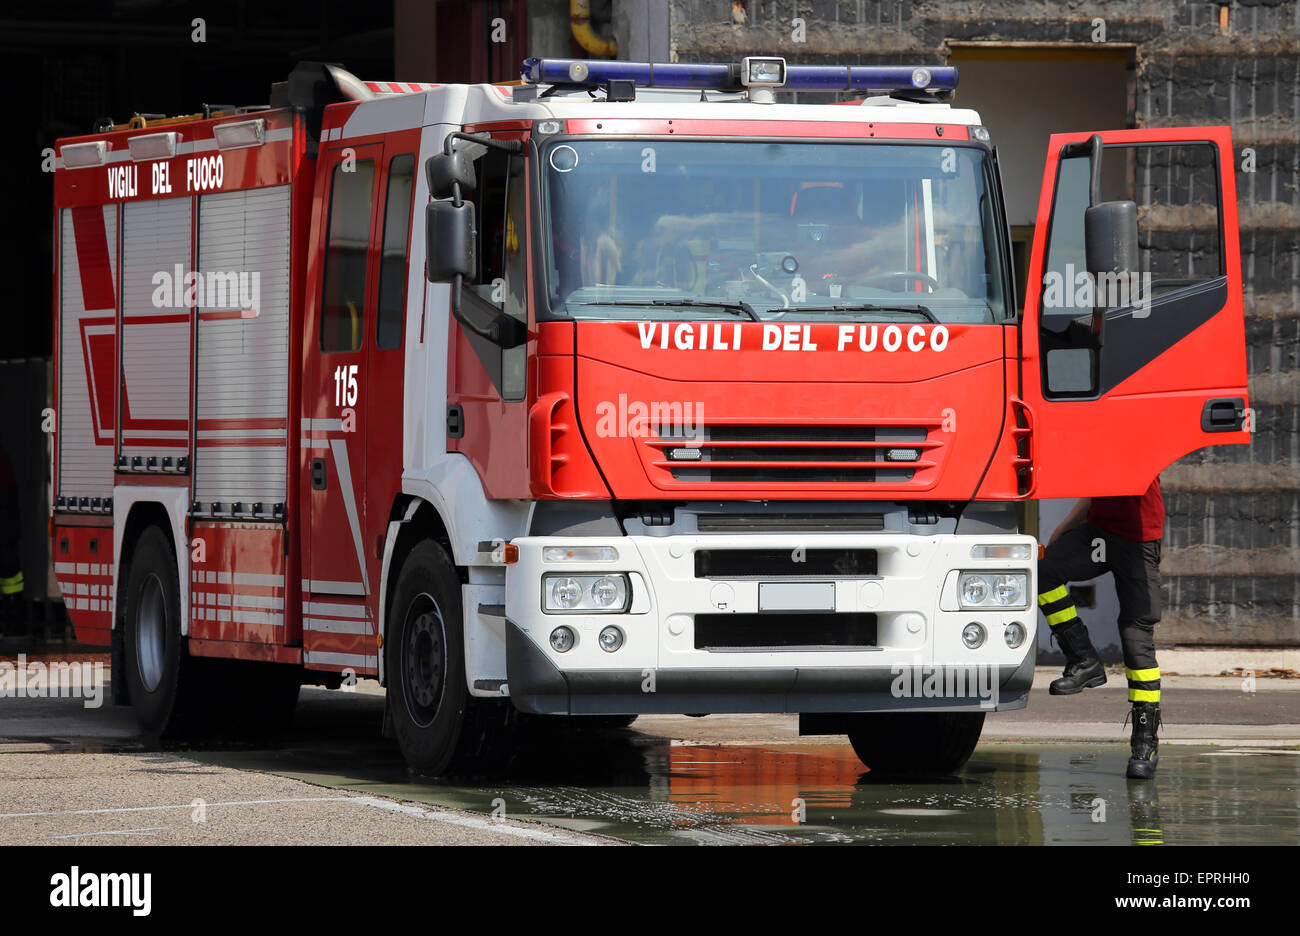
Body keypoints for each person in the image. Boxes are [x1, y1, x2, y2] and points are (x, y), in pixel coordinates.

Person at [1037, 477, 1165, 779]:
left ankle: (1145, 744)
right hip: (1100, 534)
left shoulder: (1141, 435)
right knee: (1044, 572)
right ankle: (1084, 660)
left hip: (1139, 538)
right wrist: (1065, 527)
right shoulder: (1098, 435)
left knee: (1136, 637)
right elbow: (1096, 488)